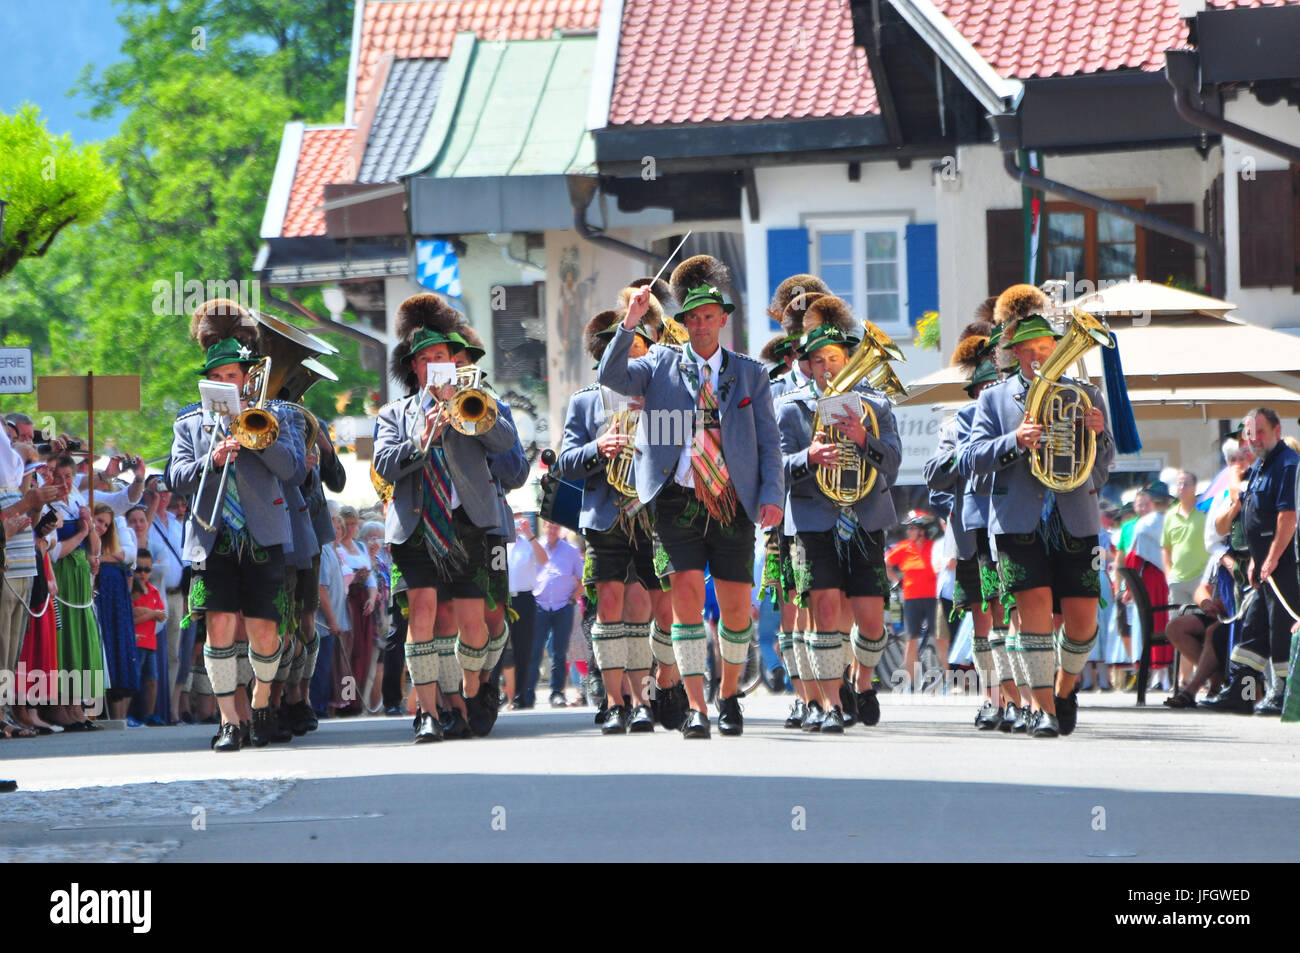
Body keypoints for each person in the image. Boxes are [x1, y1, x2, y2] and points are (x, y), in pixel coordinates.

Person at [600, 254, 784, 738]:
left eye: (708, 316)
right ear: (682, 323)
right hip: (677, 497)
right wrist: (632, 320)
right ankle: (696, 707)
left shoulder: (750, 374)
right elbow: (611, 377)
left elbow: (770, 442)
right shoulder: (659, 363)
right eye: (692, 318)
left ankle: (728, 696)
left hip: (733, 498)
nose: (701, 325)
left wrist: (772, 496)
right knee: (684, 600)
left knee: (736, 608)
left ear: (723, 319)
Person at [961, 306, 1115, 737]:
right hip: (1018, 521)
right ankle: (1044, 709)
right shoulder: (995, 397)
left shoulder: (1085, 393)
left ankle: (1063, 691)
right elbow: (970, 458)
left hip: (1074, 518)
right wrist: (1015, 441)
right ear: (1014, 355)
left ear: (1056, 350)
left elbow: (1104, 466)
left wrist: (1098, 435)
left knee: (1084, 622)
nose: (1037, 357)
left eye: (1044, 348)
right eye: (1027, 351)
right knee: (1034, 615)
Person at [372, 293, 518, 742]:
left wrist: (466, 408)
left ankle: (474, 688)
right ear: (415, 369)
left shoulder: (477, 402)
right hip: (416, 525)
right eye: (425, 360)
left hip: (467, 523)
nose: (433, 365)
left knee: (474, 622)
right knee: (424, 612)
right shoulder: (394, 414)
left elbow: (509, 453)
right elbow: (384, 465)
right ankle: (430, 713)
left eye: (440, 357)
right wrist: (421, 440)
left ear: (452, 363)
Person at [170, 298, 306, 751]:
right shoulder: (189, 423)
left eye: (235, 375)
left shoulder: (278, 416)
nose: (228, 383)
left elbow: (293, 471)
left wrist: (255, 439)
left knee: (266, 632)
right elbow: (176, 478)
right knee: (219, 626)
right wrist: (213, 456)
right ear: (209, 381)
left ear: (247, 378)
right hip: (213, 536)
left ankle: (262, 699)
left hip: (263, 534)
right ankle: (230, 721)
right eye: (219, 377)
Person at [555, 300, 673, 733]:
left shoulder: (659, 397)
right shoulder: (585, 402)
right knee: (608, 606)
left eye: (637, 347)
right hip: (605, 513)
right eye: (621, 349)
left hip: (649, 514)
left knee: (642, 604)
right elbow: (566, 460)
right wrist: (597, 449)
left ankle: (642, 701)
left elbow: (680, 454)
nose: (631, 355)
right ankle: (612, 701)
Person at [777, 321, 900, 732]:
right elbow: (775, 470)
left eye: (834, 358)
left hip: (864, 517)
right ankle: (829, 705)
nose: (828, 366)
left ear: (847, 360)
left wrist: (864, 439)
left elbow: (894, 466)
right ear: (807, 366)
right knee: (825, 608)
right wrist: (808, 457)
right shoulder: (790, 407)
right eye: (818, 360)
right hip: (814, 519)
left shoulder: (876, 404)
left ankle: (861, 683)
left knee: (872, 621)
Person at [1200, 408, 1297, 715]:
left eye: (1261, 433)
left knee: (1280, 629)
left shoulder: (1287, 464)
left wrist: (1271, 558)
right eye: (1250, 434)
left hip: (1285, 564)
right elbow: (1251, 516)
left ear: (1277, 431)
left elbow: (1287, 518)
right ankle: (1241, 694)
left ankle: (1282, 694)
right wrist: (1257, 560)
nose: (1254, 440)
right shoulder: (1260, 466)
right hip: (1265, 564)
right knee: (1253, 627)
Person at [93, 503, 140, 722]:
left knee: (118, 650)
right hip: (101, 597)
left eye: (105, 523)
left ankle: (119, 718)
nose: (101, 526)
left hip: (116, 599)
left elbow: (129, 555)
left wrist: (103, 558)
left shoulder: (119, 525)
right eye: (99, 521)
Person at [530, 519, 584, 707]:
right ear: (544, 527)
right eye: (549, 526)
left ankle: (556, 692)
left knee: (559, 653)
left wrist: (572, 599)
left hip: (563, 607)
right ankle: (528, 693)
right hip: (539, 606)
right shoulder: (535, 548)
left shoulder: (570, 551)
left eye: (555, 526)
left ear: (559, 528)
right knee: (534, 651)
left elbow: (582, 578)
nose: (552, 529)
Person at [885, 511, 941, 691]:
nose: (909, 532)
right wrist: (897, 580)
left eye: (912, 528)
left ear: (922, 530)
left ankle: (945, 678)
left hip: (933, 599)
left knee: (940, 639)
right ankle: (910, 683)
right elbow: (885, 564)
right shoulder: (904, 547)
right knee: (912, 641)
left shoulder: (934, 547)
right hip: (911, 600)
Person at [507, 514, 546, 708]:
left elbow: (543, 559)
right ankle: (495, 693)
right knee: (498, 651)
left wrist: (529, 534)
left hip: (524, 599)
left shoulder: (528, 543)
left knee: (523, 650)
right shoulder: (500, 543)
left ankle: (521, 695)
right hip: (504, 600)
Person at [131, 549, 167, 726]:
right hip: (136, 641)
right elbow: (132, 616)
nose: (143, 573)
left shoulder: (153, 590)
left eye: (147, 569)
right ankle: (129, 715)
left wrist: (147, 613)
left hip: (150, 642)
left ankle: (149, 715)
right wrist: (151, 613)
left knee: (152, 680)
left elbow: (162, 614)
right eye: (139, 569)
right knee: (133, 679)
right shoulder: (132, 591)